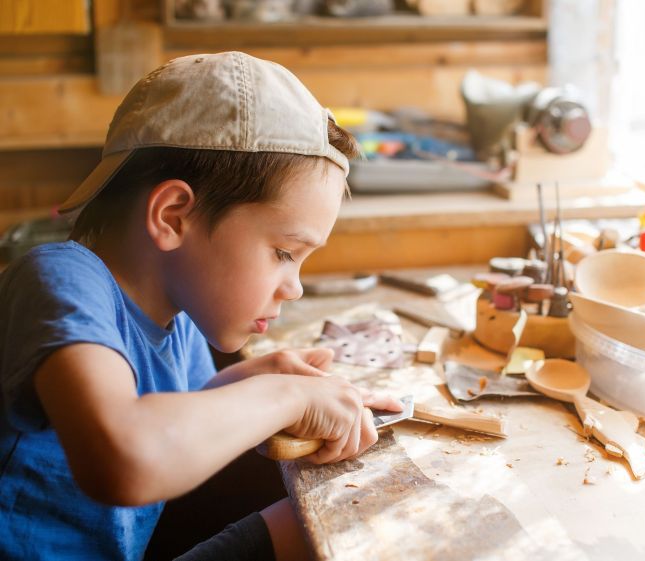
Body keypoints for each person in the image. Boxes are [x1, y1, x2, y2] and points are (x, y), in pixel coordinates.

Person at [0, 51, 402, 561]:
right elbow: (126, 456)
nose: (294, 287)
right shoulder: (59, 280)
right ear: (172, 216)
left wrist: (259, 378)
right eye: (283, 252)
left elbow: (178, 411)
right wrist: (283, 397)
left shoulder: (178, 313)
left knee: (344, 513)